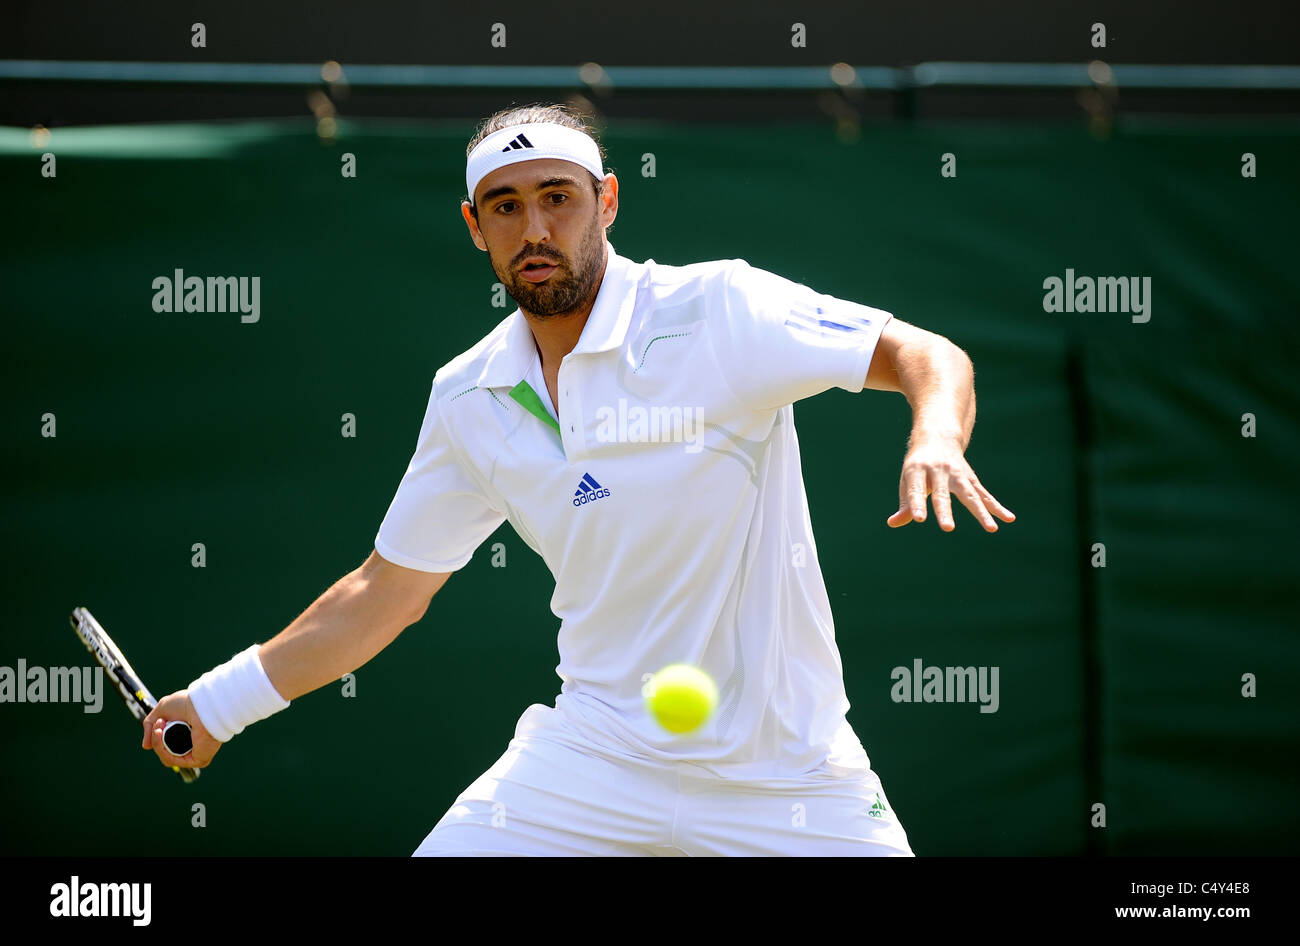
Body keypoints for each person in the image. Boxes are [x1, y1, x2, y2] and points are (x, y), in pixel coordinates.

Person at [143, 103, 1015, 856]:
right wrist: (217, 707)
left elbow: (923, 353)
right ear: (474, 225)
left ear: (606, 202)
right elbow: (385, 593)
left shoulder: (718, 309)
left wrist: (934, 438)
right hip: (594, 757)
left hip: (790, 772)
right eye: (507, 206)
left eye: (558, 199)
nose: (535, 230)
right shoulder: (469, 395)